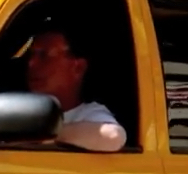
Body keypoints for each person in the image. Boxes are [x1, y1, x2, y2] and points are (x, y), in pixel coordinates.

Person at [24, 23, 127, 152]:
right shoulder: (20, 113)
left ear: (78, 67)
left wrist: (47, 135)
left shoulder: (88, 114)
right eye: (31, 55)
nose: (31, 63)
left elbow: (113, 137)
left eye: (44, 55)